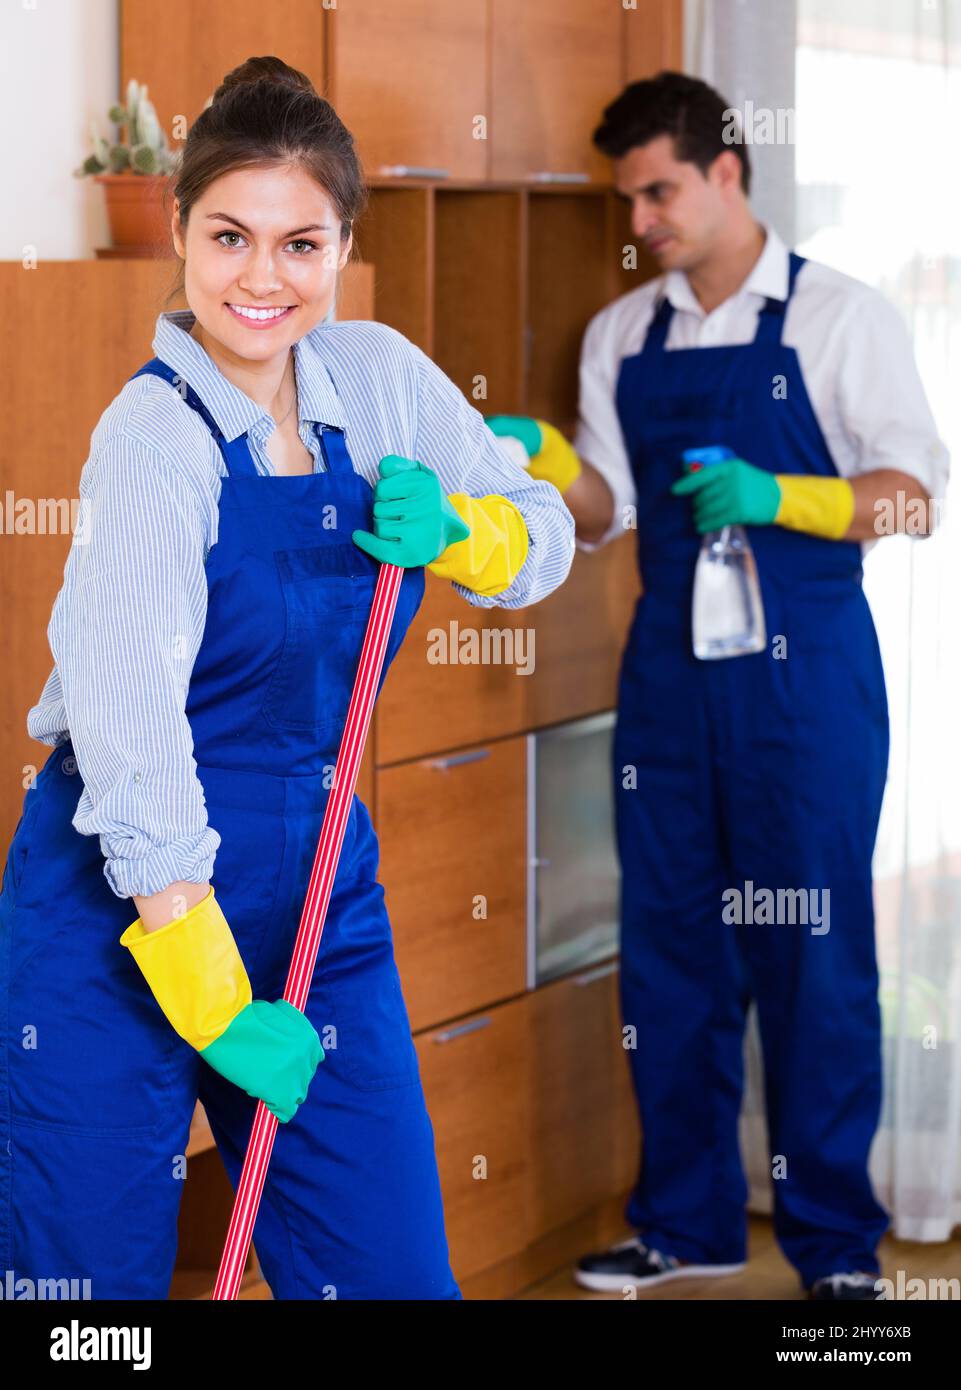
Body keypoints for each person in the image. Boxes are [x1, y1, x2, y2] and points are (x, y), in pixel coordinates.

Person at [0, 55, 574, 1300]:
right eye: (230, 236)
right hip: (123, 903)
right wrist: (209, 994)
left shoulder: (376, 378)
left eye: (299, 242)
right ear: (181, 233)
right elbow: (129, 731)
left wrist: (467, 537)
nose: (263, 277)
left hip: (321, 887)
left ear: (343, 244)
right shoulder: (150, 441)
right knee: (83, 1298)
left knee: (388, 1272)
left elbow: (547, 531)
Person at [488, 72, 948, 1302]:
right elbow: (607, 512)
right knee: (672, 955)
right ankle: (684, 1223)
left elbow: (913, 494)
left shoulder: (840, 318)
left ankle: (837, 1250)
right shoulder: (622, 336)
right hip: (670, 690)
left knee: (814, 960)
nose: (640, 216)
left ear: (727, 172)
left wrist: (782, 497)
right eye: (628, 196)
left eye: (660, 189)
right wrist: (549, 466)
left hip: (804, 690)